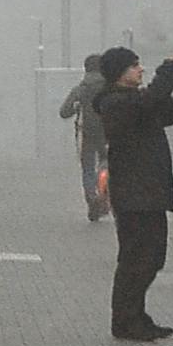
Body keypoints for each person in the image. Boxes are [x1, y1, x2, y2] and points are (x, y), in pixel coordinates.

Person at [93, 45, 173, 340]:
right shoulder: (114, 103)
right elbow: (154, 98)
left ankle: (135, 313)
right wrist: (169, 66)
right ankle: (125, 320)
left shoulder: (137, 103)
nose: (140, 70)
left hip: (150, 191)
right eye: (134, 66)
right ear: (118, 73)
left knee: (152, 258)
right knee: (136, 259)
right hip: (134, 193)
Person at [59, 54, 112, 222]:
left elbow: (64, 112)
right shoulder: (110, 87)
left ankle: (92, 197)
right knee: (106, 162)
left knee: (88, 167)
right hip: (108, 133)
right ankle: (103, 187)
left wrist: (77, 108)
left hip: (87, 133)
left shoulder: (81, 89)